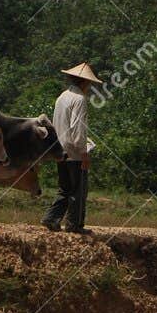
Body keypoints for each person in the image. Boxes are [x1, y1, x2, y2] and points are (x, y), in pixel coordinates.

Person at [43, 62, 100, 234]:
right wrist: (84, 154)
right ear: (84, 82)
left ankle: (51, 219)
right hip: (74, 152)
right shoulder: (79, 99)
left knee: (64, 188)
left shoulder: (62, 97)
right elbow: (78, 130)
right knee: (78, 190)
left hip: (61, 150)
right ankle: (74, 225)